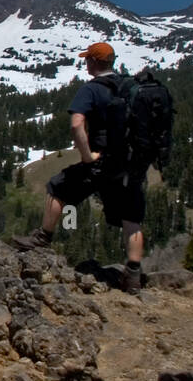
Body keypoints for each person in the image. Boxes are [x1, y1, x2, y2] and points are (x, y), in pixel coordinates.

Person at [10, 42, 145, 294]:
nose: (86, 63)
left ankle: (42, 239)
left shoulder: (92, 89)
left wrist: (86, 155)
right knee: (131, 217)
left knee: (57, 187)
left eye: (88, 59)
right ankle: (134, 276)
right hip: (129, 163)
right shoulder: (130, 87)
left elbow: (76, 124)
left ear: (94, 62)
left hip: (101, 161)